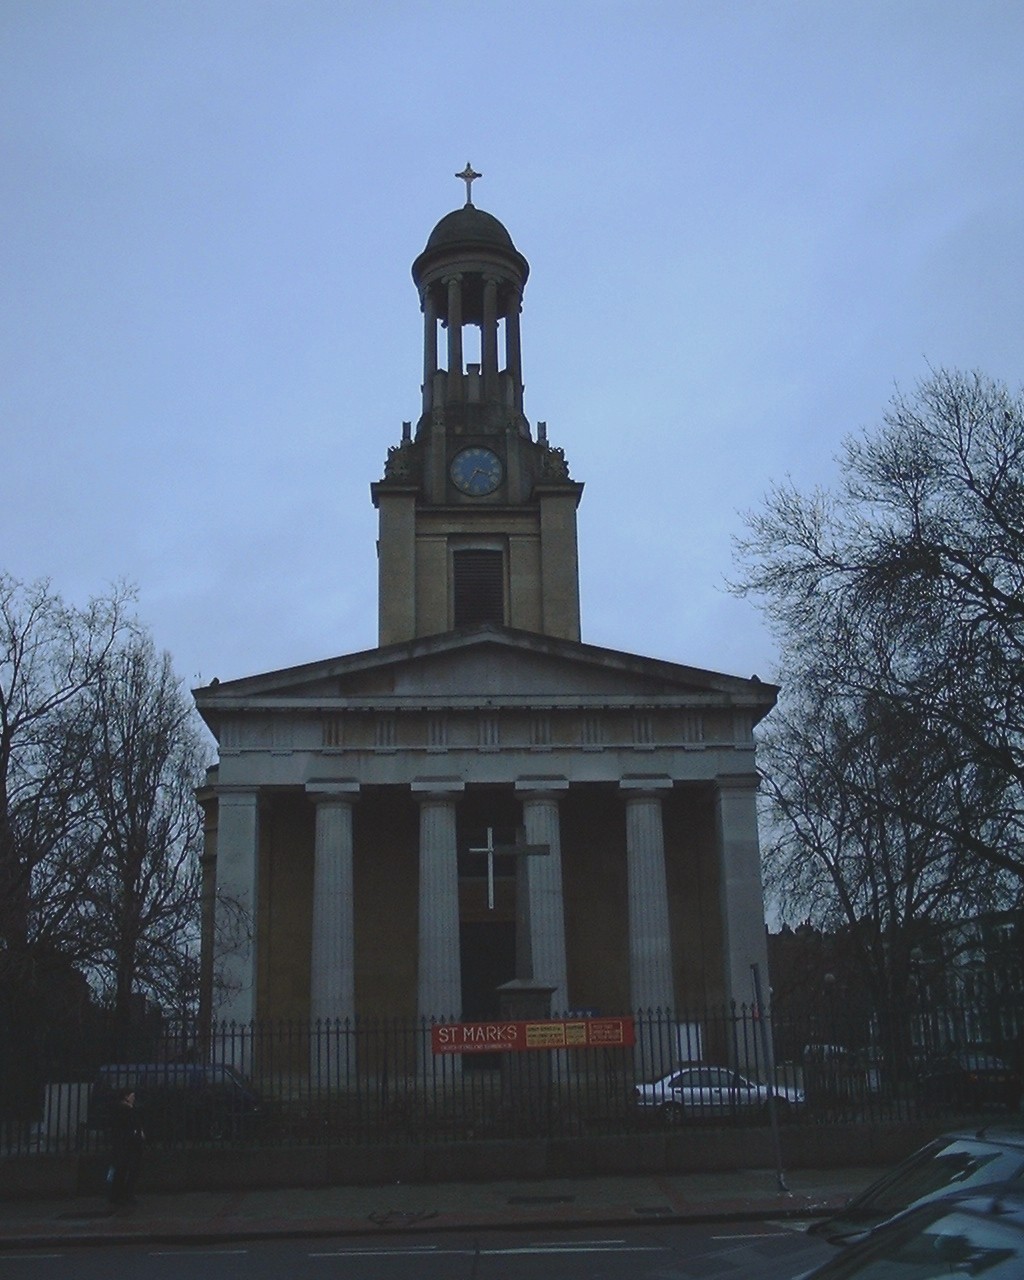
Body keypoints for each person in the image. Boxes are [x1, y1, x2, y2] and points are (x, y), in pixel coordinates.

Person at [107, 1088, 145, 1207]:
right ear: (126, 1097)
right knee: (127, 1170)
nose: (133, 1099)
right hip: (128, 1146)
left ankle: (118, 1195)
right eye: (132, 1096)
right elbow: (132, 1127)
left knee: (120, 1170)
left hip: (123, 1145)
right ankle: (124, 1195)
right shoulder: (126, 1110)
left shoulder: (121, 1110)